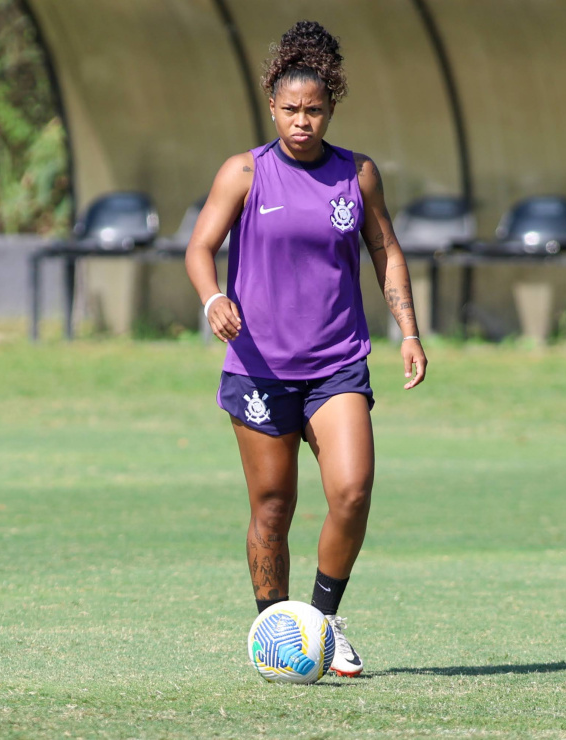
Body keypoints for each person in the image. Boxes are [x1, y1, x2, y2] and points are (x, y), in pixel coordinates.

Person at [184, 20, 428, 677]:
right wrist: (213, 300)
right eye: (290, 110)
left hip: (335, 364)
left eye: (313, 110)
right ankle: (276, 629)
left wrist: (407, 331)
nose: (301, 122)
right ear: (271, 107)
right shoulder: (243, 172)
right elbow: (199, 247)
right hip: (260, 369)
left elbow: (386, 252)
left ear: (330, 110)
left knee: (351, 491)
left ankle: (323, 621)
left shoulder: (357, 174)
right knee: (272, 508)